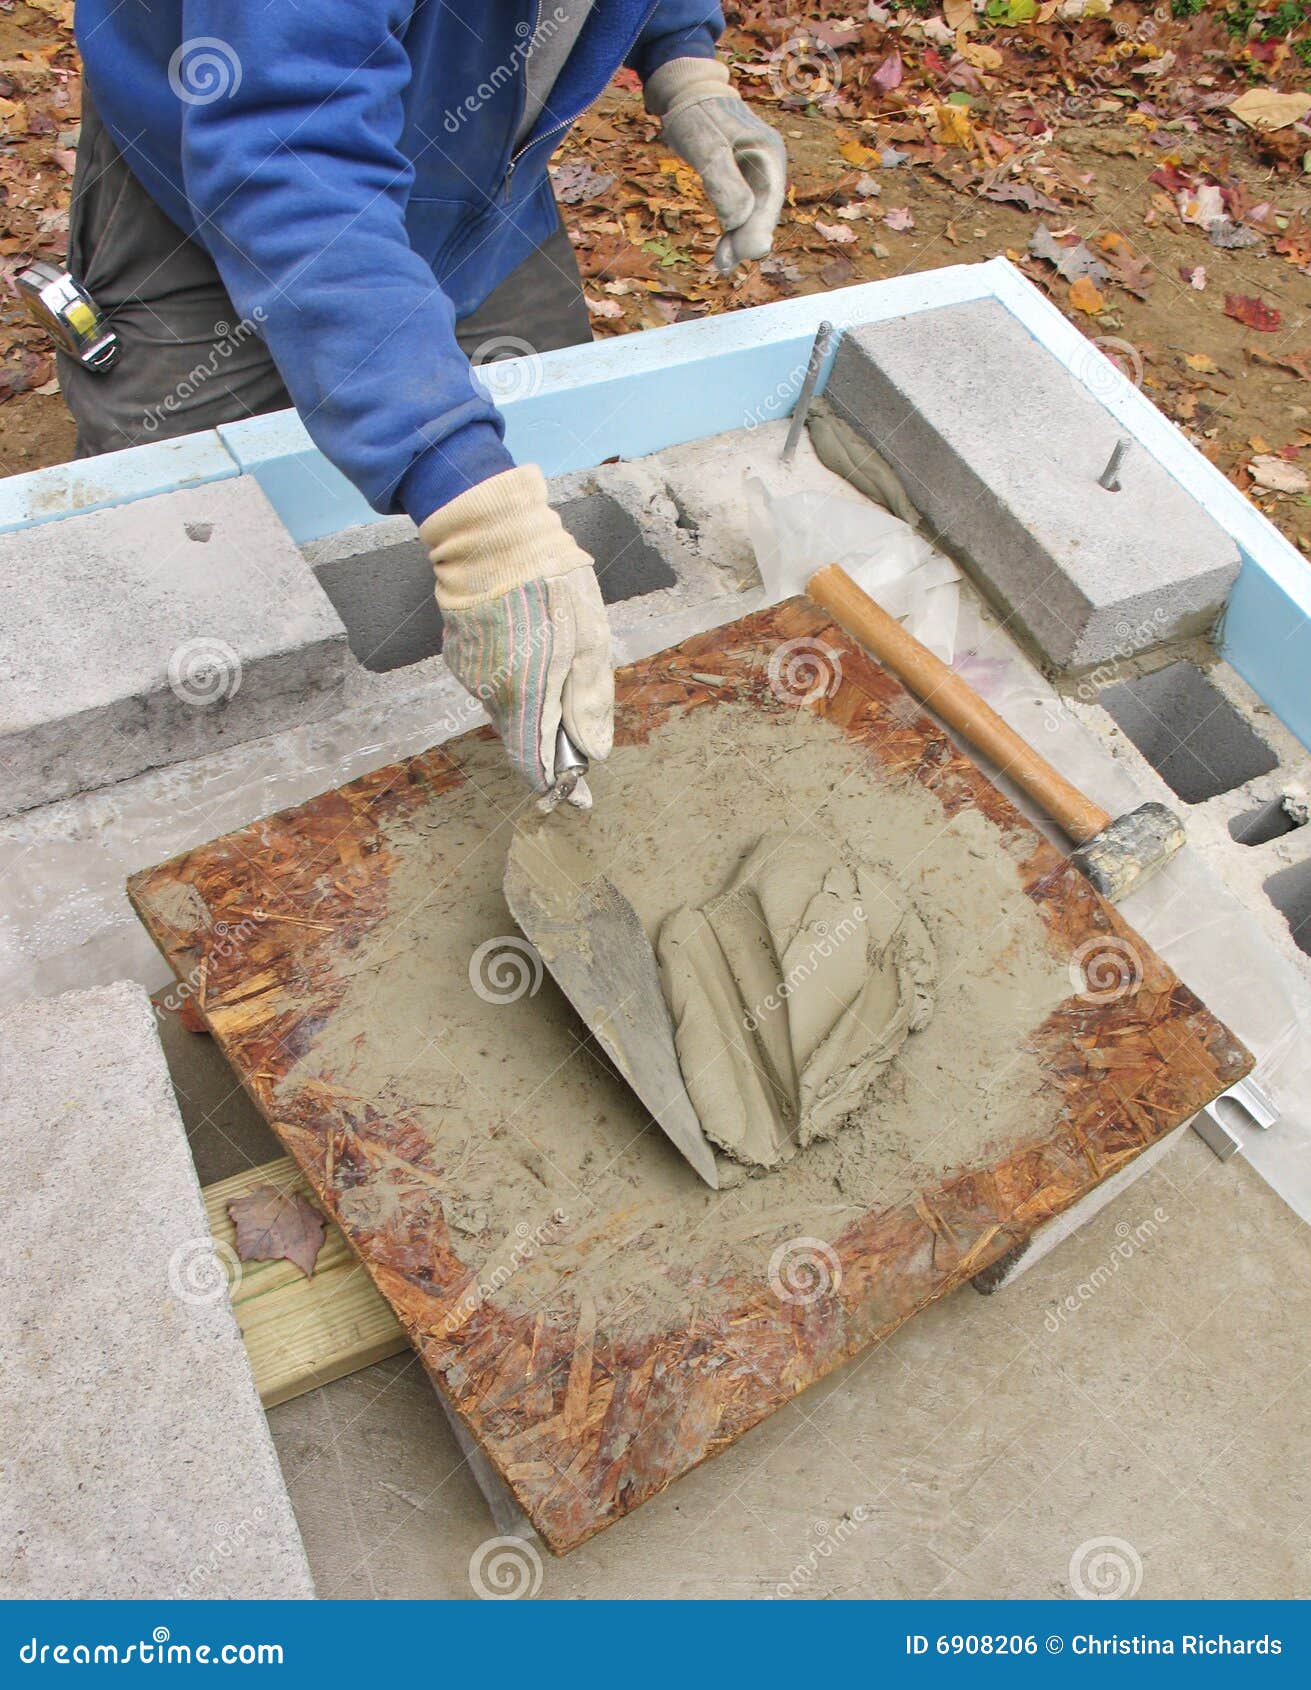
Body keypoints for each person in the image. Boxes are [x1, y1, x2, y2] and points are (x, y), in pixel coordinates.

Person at [62, 4, 788, 804]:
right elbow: (290, 149)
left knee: (556, 461)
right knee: (168, 555)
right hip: (233, 154)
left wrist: (682, 56)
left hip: (474, 175)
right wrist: (470, 508)